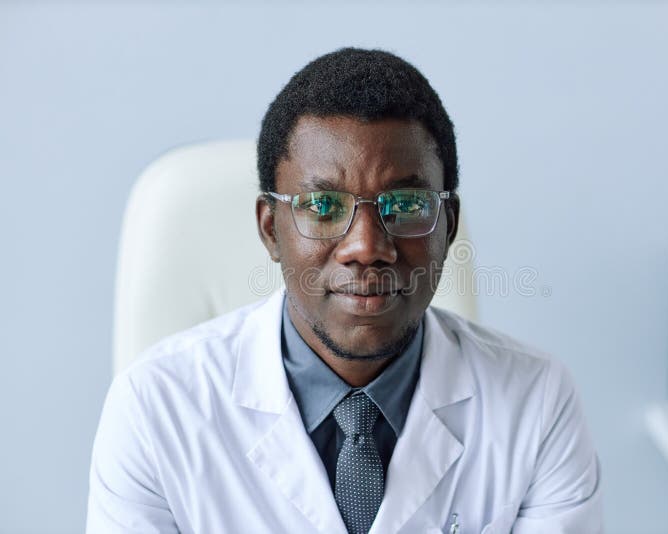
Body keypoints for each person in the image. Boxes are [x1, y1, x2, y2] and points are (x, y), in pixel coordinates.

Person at [87, 47, 602, 534]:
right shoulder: (155, 408)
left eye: (405, 205)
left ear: (447, 226)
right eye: (323, 207)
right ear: (270, 229)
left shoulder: (536, 402)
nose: (366, 247)